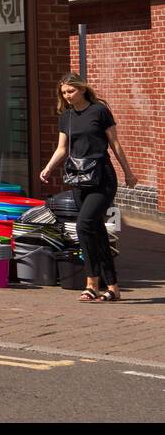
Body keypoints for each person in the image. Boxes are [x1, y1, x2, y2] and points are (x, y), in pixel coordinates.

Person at [39, 73, 137, 301]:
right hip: (79, 180)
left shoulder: (99, 111)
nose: (67, 96)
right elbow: (62, 148)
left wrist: (128, 173)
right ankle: (113, 287)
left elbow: (114, 143)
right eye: (64, 93)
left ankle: (91, 283)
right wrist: (48, 168)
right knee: (98, 231)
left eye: (71, 91)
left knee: (83, 225)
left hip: (103, 178)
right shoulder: (67, 116)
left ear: (82, 89)